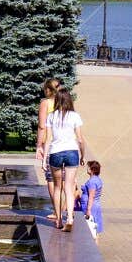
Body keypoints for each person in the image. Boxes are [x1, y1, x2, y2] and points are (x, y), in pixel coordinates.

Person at [45, 89, 88, 232]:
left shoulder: (51, 116)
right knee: (69, 188)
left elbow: (48, 139)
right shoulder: (75, 116)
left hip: (55, 152)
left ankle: (58, 220)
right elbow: (80, 139)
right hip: (72, 152)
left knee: (58, 187)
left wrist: (45, 158)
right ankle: (69, 218)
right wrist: (82, 155)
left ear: (57, 100)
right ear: (69, 100)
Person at [36, 78, 62, 222]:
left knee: (51, 179)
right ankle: (66, 211)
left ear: (48, 89)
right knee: (65, 181)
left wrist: (39, 145)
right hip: (65, 143)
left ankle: (56, 211)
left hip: (50, 144)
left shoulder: (45, 103)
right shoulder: (64, 102)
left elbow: (42, 126)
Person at [76, 160, 104, 236]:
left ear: (92, 170)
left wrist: (88, 210)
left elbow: (91, 196)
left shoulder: (92, 182)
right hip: (96, 205)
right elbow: (99, 193)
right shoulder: (98, 179)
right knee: (94, 230)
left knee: (91, 229)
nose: (87, 169)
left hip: (91, 207)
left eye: (88, 167)